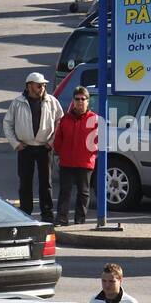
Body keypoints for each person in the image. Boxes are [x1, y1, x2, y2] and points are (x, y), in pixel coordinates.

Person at [2, 71, 62, 221]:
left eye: (44, 85)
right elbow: (7, 123)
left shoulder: (52, 101)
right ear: (29, 86)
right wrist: (16, 143)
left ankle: (47, 215)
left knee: (46, 183)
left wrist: (52, 142)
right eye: (39, 85)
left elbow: (60, 122)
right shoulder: (17, 103)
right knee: (25, 182)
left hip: (44, 147)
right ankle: (25, 214)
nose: (42, 88)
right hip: (25, 147)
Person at [53, 85, 98, 225]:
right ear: (73, 101)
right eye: (77, 99)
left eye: (83, 99)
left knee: (83, 193)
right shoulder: (65, 119)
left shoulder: (94, 119)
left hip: (85, 163)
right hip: (67, 162)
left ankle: (80, 220)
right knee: (64, 192)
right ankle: (61, 219)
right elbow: (58, 140)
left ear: (88, 101)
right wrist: (62, 153)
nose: (80, 102)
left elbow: (99, 141)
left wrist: (91, 154)